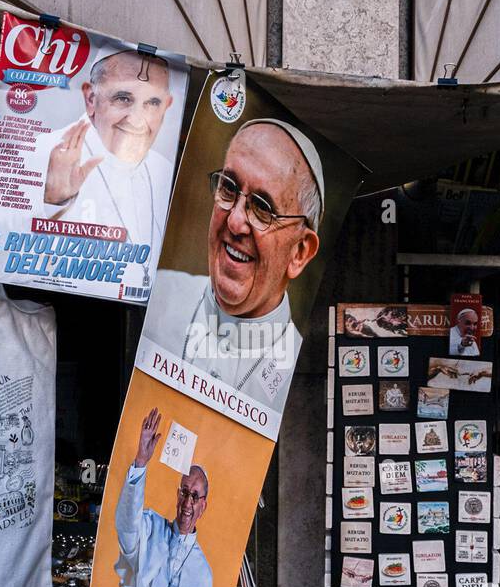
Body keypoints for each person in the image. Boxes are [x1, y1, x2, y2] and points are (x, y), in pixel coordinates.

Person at [142, 119, 323, 411]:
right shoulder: (158, 296)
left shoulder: (303, 369)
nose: (235, 221)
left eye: (263, 208)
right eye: (228, 188)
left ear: (299, 252)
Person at [41, 50, 176, 288]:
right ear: (91, 99)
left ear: (167, 106)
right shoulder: (36, 153)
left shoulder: (163, 170)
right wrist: (52, 203)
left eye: (153, 103)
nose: (137, 120)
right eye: (123, 98)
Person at [113, 407, 214, 587]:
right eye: (184, 492)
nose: (187, 503)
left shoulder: (203, 571)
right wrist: (140, 462)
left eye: (195, 495)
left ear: (203, 505)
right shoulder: (150, 530)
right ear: (177, 494)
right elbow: (126, 528)